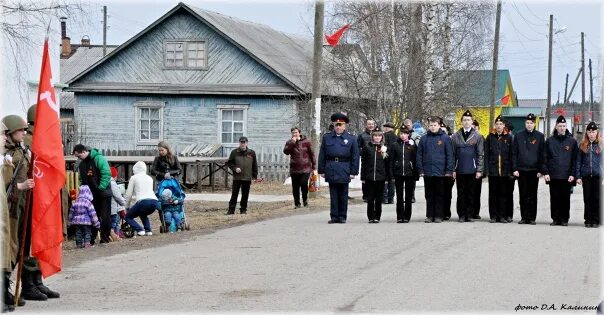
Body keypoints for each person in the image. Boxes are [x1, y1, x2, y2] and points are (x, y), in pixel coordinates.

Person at [2, 114, 54, 303]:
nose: (23, 133)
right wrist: (20, 187)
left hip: (23, 203)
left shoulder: (21, 149)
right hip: (10, 206)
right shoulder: (6, 152)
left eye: (25, 130)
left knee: (20, 245)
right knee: (10, 247)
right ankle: (6, 288)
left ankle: (28, 284)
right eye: (20, 130)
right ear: (9, 132)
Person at [318, 113, 360, 224]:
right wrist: (321, 170)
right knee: (333, 194)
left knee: (343, 194)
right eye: (336, 124)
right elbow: (322, 154)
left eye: (340, 124)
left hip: (344, 167)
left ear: (344, 126)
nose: (338, 127)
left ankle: (342, 216)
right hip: (331, 167)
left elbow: (355, 156)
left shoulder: (351, 138)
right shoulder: (327, 137)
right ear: (333, 125)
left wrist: (353, 171)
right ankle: (334, 216)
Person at [417, 116, 454, 223]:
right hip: (428, 171)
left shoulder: (445, 138)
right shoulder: (424, 139)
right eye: (431, 125)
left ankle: (439, 215)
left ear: (439, 125)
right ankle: (429, 215)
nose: (433, 127)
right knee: (429, 195)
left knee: (439, 194)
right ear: (428, 126)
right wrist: (421, 170)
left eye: (435, 125)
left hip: (441, 172)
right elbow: (419, 155)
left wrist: (449, 170)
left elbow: (450, 155)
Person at [73, 144, 112, 244]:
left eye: (78, 156)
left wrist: (101, 187)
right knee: (92, 216)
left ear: (84, 151)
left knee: (105, 217)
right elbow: (82, 179)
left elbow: (106, 173)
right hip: (90, 196)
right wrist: (83, 190)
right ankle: (91, 239)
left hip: (103, 193)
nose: (78, 158)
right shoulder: (82, 164)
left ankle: (105, 239)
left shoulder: (98, 158)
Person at [543, 115, 578, 226]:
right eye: (560, 126)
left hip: (567, 176)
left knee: (565, 198)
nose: (562, 128)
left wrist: (573, 174)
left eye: (564, 126)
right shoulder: (549, 141)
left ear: (566, 127)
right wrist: (546, 172)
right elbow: (545, 158)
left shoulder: (572, 141)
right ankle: (555, 218)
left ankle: (564, 219)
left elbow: (575, 159)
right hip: (553, 175)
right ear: (556, 127)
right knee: (554, 198)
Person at [450, 110, 484, 223]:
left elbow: (480, 154)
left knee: (471, 193)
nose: (466, 122)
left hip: (472, 170)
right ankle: (461, 215)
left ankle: (469, 215)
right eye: (464, 120)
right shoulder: (455, 136)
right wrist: (453, 169)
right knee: (461, 193)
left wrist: (479, 170)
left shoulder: (478, 136)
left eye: (468, 120)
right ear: (461, 122)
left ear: (472, 121)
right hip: (460, 169)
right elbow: (452, 154)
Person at [512, 113, 545, 225]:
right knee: (523, 194)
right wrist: (515, 168)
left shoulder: (540, 136)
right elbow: (514, 153)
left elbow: (542, 154)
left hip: (534, 170)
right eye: (527, 122)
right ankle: (524, 217)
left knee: (532, 194)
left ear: (534, 124)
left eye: (531, 123)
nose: (529, 125)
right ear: (525, 123)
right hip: (521, 170)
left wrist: (541, 170)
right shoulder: (519, 135)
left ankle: (531, 218)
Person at [484, 115, 514, 223]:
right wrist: (486, 170)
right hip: (493, 171)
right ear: (494, 125)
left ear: (504, 126)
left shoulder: (509, 138)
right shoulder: (490, 137)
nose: (499, 126)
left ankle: (502, 216)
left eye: (501, 124)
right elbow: (486, 154)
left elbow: (512, 155)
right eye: (497, 124)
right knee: (493, 195)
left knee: (503, 195)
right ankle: (493, 216)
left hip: (505, 171)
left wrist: (511, 171)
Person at [360, 129, 390, 223]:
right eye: (375, 136)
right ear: (372, 137)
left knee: (378, 198)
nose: (377, 137)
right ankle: (370, 216)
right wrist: (363, 177)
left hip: (380, 177)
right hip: (369, 176)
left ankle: (377, 216)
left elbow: (387, 165)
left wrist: (387, 177)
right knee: (370, 198)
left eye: (379, 136)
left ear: (382, 137)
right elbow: (363, 163)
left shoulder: (384, 148)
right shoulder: (367, 147)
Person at [576, 122, 601, 228]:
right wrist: (578, 176)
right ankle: (588, 219)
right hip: (586, 175)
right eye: (589, 132)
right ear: (586, 133)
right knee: (587, 198)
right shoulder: (583, 145)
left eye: (593, 132)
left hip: (597, 176)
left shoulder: (601, 145)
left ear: (597, 132)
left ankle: (595, 220)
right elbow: (578, 161)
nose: (591, 134)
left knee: (596, 198)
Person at [390, 125, 418, 223]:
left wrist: (416, 173)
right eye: (401, 133)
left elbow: (415, 159)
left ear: (408, 134)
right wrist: (392, 172)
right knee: (399, 195)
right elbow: (392, 160)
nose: (403, 136)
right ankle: (400, 216)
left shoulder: (412, 144)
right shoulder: (395, 145)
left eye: (405, 134)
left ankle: (407, 216)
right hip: (398, 173)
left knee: (408, 196)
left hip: (409, 173)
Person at [283, 127, 316, 208]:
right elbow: (286, 152)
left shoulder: (307, 142)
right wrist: (292, 142)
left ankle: (305, 200)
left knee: (304, 184)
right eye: (293, 133)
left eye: (296, 132)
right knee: (295, 187)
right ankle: (297, 203)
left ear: (299, 133)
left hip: (305, 168)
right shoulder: (289, 142)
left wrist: (314, 166)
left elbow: (312, 154)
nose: (294, 134)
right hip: (294, 168)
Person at [124, 161, 158, 236]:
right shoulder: (150, 178)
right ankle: (148, 231)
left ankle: (140, 230)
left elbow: (129, 194)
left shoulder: (134, 178)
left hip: (143, 202)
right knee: (143, 213)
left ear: (135, 169)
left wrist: (127, 206)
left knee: (127, 217)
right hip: (154, 202)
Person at [226, 137, 258, 215]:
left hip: (247, 177)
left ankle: (243, 210)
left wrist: (254, 176)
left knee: (245, 194)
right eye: (241, 142)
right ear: (239, 143)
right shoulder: (234, 152)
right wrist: (235, 168)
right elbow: (229, 163)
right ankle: (231, 210)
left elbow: (254, 165)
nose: (243, 144)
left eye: (244, 142)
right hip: (237, 177)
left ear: (247, 143)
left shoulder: (251, 153)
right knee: (234, 194)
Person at [357, 119, 376, 202]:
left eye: (372, 124)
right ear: (366, 125)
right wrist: (362, 153)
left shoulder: (378, 134)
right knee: (365, 177)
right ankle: (366, 195)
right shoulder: (362, 135)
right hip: (365, 159)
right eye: (369, 124)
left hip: (376, 158)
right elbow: (357, 147)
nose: (371, 125)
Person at [440, 122, 455, 220]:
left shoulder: (451, 140)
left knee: (447, 193)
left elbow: (454, 156)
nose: (442, 132)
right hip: (438, 171)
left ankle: (446, 212)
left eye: (444, 130)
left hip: (448, 171)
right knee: (439, 193)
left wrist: (452, 170)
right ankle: (440, 212)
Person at [471, 119, 484, 219]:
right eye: (472, 127)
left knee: (476, 192)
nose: (474, 128)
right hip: (469, 167)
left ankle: (475, 212)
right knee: (469, 191)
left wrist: (481, 169)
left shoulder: (481, 138)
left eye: (475, 127)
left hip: (477, 168)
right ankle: (469, 211)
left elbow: (482, 154)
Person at [382, 122, 397, 204]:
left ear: (387, 128)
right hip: (393, 161)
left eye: (385, 127)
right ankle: (391, 198)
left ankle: (384, 198)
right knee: (392, 180)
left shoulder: (384, 136)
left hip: (384, 160)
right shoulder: (396, 137)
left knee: (384, 179)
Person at [403, 118, 418, 203]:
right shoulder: (401, 134)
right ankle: (406, 196)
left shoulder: (415, 135)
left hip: (412, 160)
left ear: (412, 125)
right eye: (406, 125)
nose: (407, 127)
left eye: (409, 125)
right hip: (403, 159)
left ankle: (412, 196)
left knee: (412, 181)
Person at [109, 166, 126, 239]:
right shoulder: (112, 183)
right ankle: (115, 236)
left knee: (113, 223)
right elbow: (117, 196)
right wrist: (124, 203)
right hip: (113, 208)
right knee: (115, 223)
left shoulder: (106, 182)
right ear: (114, 176)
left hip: (109, 207)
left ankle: (114, 235)